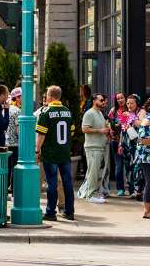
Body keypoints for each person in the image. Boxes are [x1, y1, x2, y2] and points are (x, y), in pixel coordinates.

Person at [36, 85, 76, 221]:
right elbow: (71, 132)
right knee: (67, 182)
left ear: (51, 97)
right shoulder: (68, 112)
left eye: (47, 95)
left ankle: (50, 212)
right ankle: (69, 211)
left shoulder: (46, 113)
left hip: (50, 153)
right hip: (64, 153)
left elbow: (41, 135)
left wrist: (37, 150)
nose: (46, 97)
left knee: (51, 183)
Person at [78, 93, 110, 203]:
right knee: (93, 172)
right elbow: (84, 129)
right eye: (101, 100)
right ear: (94, 100)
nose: (103, 102)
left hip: (99, 146)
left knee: (92, 172)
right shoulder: (89, 113)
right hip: (93, 147)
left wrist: (106, 130)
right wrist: (100, 131)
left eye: (103, 100)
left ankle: (84, 192)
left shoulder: (100, 113)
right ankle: (90, 195)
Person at [117, 95, 142, 198]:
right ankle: (131, 190)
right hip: (126, 144)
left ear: (137, 104)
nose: (129, 105)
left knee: (136, 167)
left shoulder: (139, 114)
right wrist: (120, 144)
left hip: (136, 144)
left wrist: (132, 119)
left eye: (132, 103)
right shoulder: (124, 114)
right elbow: (123, 131)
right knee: (128, 168)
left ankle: (137, 190)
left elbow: (141, 126)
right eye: (128, 103)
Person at [108, 93, 128, 196]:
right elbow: (109, 124)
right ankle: (120, 188)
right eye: (118, 98)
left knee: (130, 165)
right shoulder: (113, 111)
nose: (120, 100)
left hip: (128, 141)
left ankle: (132, 187)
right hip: (116, 141)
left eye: (122, 98)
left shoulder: (129, 109)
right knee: (119, 166)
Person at [6, 88, 22, 193]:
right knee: (15, 167)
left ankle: (4, 188)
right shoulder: (17, 111)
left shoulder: (5, 108)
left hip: (4, 143)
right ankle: (14, 188)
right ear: (17, 98)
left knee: (6, 167)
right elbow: (18, 130)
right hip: (15, 144)